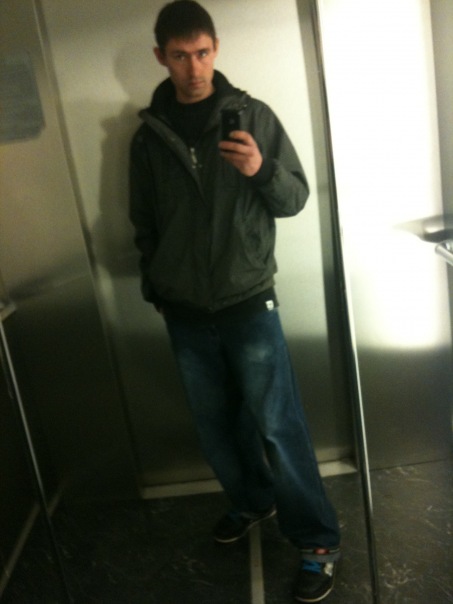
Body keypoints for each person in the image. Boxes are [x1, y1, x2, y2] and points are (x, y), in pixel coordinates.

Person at [128, 1, 341, 601]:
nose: (193, 68)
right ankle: (252, 501)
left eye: (202, 53)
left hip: (247, 300)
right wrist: (157, 287)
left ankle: (318, 541)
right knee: (216, 426)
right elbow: (143, 222)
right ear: (161, 57)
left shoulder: (253, 116)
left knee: (277, 425)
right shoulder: (148, 137)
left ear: (216, 49)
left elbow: (295, 198)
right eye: (180, 56)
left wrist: (260, 168)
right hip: (184, 310)